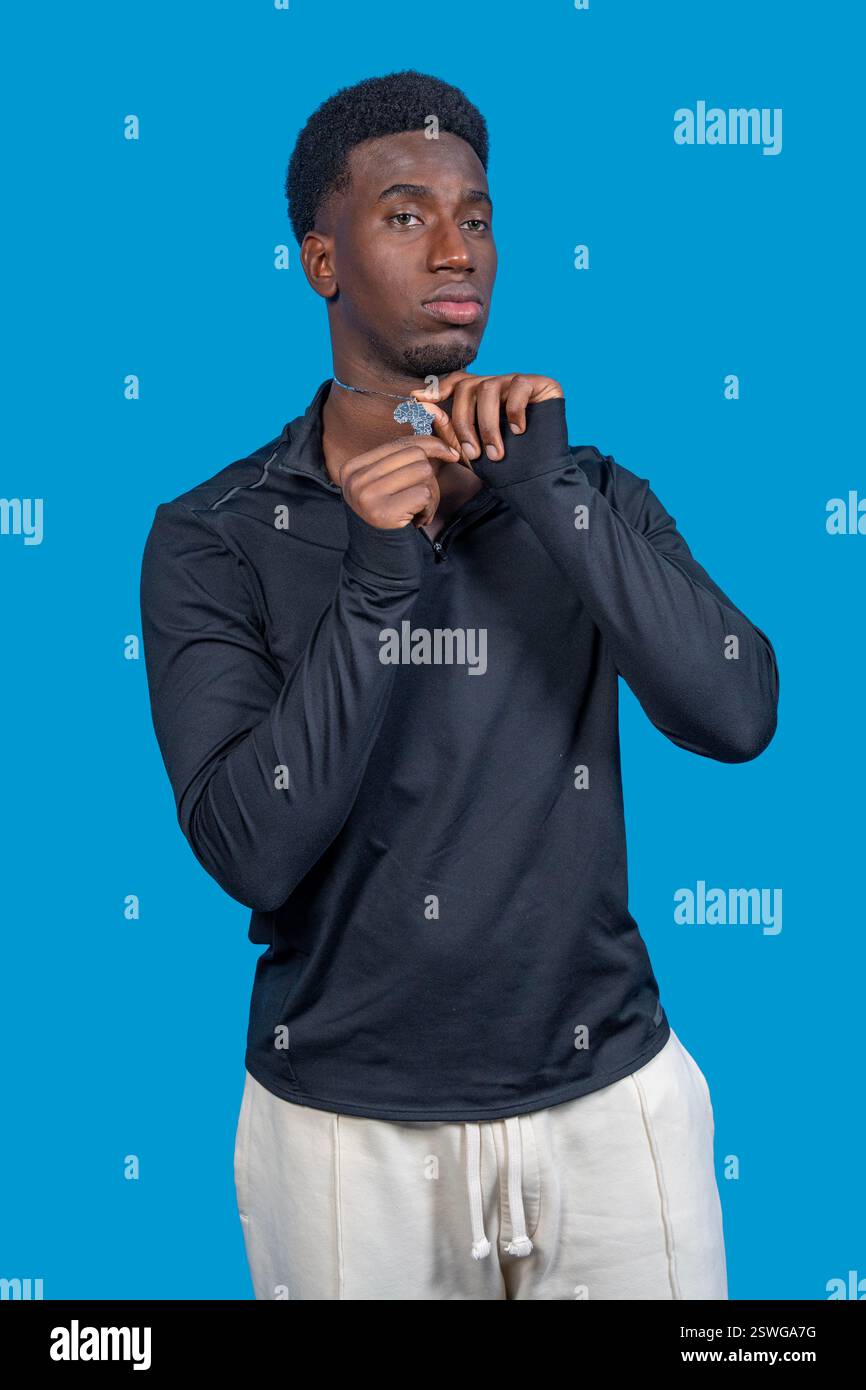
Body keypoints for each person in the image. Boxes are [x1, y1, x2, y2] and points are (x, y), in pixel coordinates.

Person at [139, 69, 779, 1301]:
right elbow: (248, 850)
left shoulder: (582, 489)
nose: (455, 249)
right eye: (403, 215)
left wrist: (549, 498)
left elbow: (737, 709)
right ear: (320, 261)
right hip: (345, 1131)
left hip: (612, 1102)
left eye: (476, 217)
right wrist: (379, 582)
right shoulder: (212, 535)